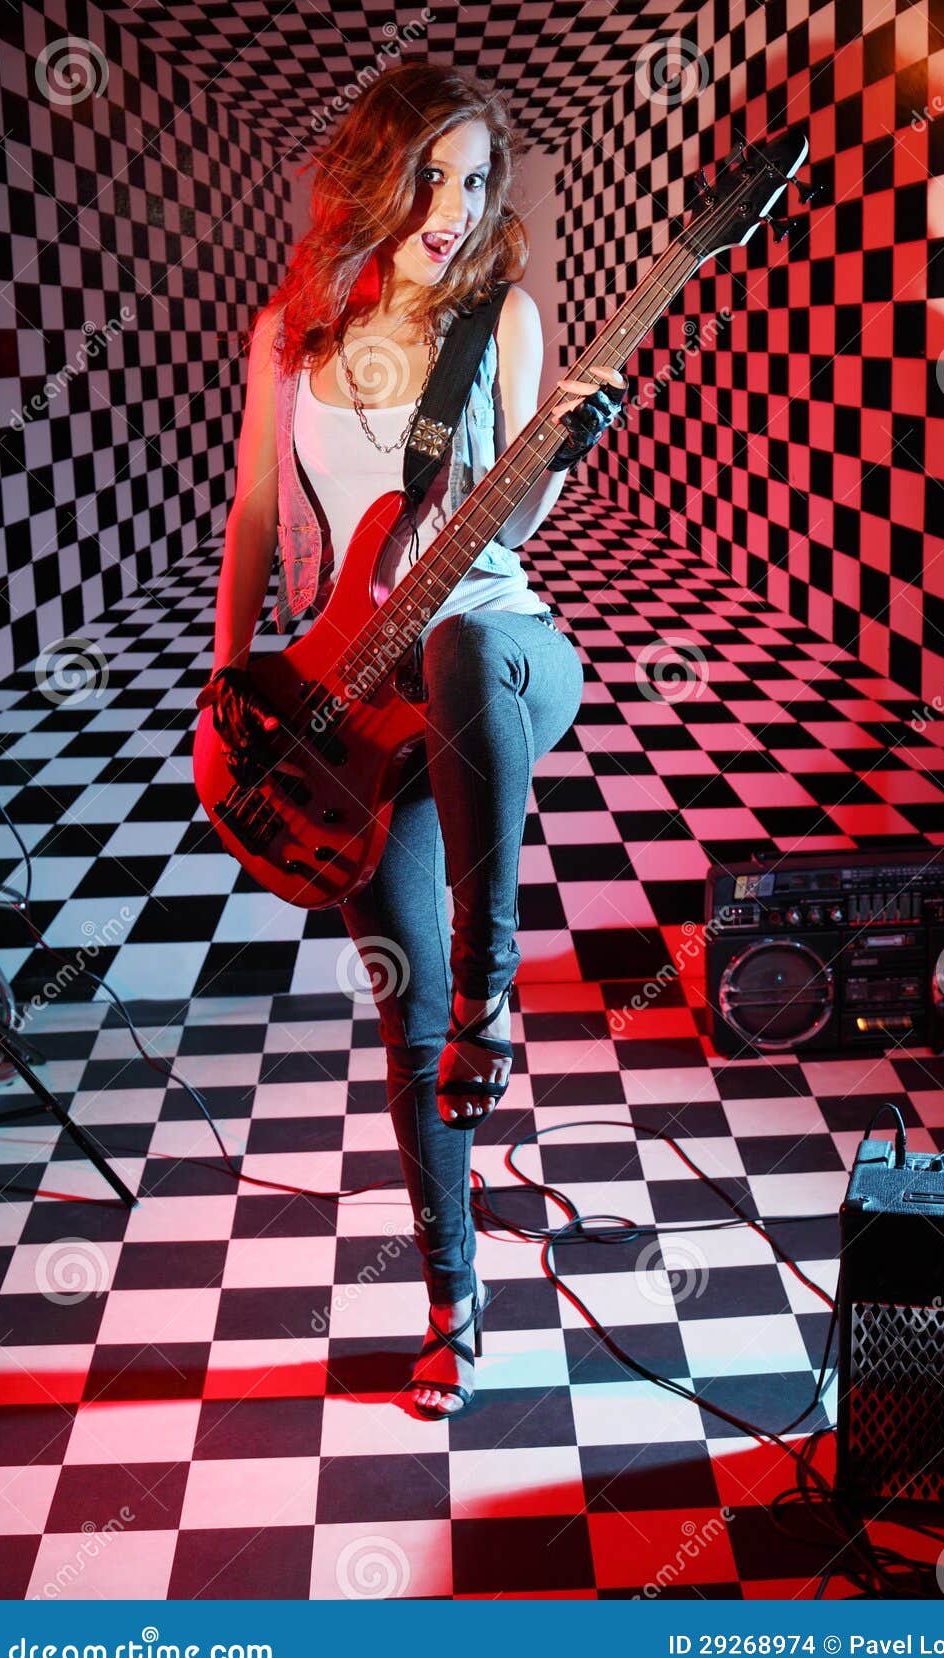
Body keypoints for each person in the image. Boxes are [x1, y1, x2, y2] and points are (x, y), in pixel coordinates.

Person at [198, 59, 627, 1418]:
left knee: (467, 641)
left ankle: (499, 985)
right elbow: (257, 519)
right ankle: (454, 1302)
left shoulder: (500, 321)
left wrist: (556, 459)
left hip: (503, 650)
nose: (457, 205)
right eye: (433, 175)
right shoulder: (290, 334)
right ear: (378, 177)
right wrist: (228, 689)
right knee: (409, 1007)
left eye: (479, 179)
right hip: (355, 694)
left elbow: (505, 533)